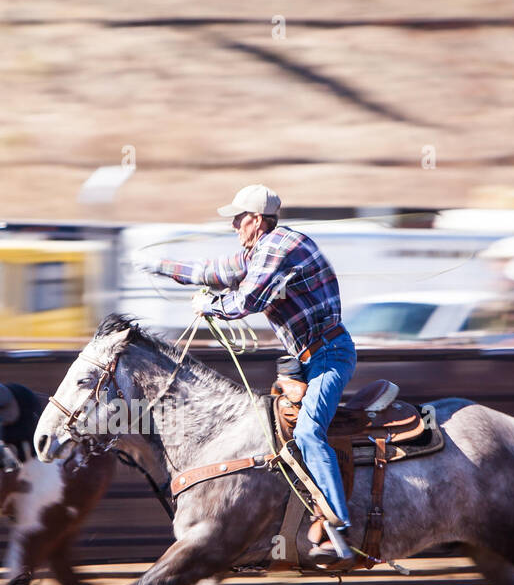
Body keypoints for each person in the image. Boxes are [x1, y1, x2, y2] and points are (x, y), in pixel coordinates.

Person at [138, 184, 356, 562]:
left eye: (238, 219)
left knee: (307, 431)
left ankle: (339, 524)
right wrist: (161, 266)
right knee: (273, 435)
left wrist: (210, 304)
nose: (234, 225)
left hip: (328, 356)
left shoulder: (276, 247)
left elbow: (247, 300)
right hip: (306, 358)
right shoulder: (258, 251)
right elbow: (211, 271)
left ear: (256, 220)